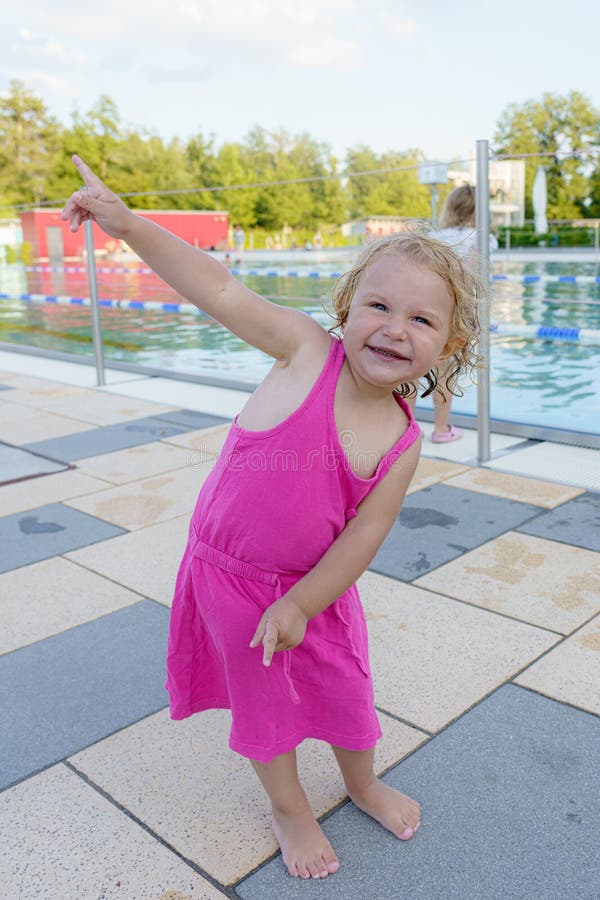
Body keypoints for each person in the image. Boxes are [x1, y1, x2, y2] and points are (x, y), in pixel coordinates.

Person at [62, 155, 480, 881]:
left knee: (349, 695)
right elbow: (219, 287)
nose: (393, 328)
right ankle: (289, 808)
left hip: (316, 588)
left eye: (420, 320)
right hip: (231, 578)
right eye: (378, 306)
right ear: (346, 309)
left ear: (446, 348)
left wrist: (303, 602)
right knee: (263, 710)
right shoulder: (302, 353)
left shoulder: (402, 439)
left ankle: (360, 780)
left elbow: (365, 535)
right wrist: (125, 223)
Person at [423, 184, 496, 442]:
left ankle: (404, 431)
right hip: (457, 314)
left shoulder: (435, 238)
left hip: (427, 308)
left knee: (413, 372)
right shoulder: (484, 238)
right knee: (445, 373)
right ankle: (441, 430)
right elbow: (473, 275)